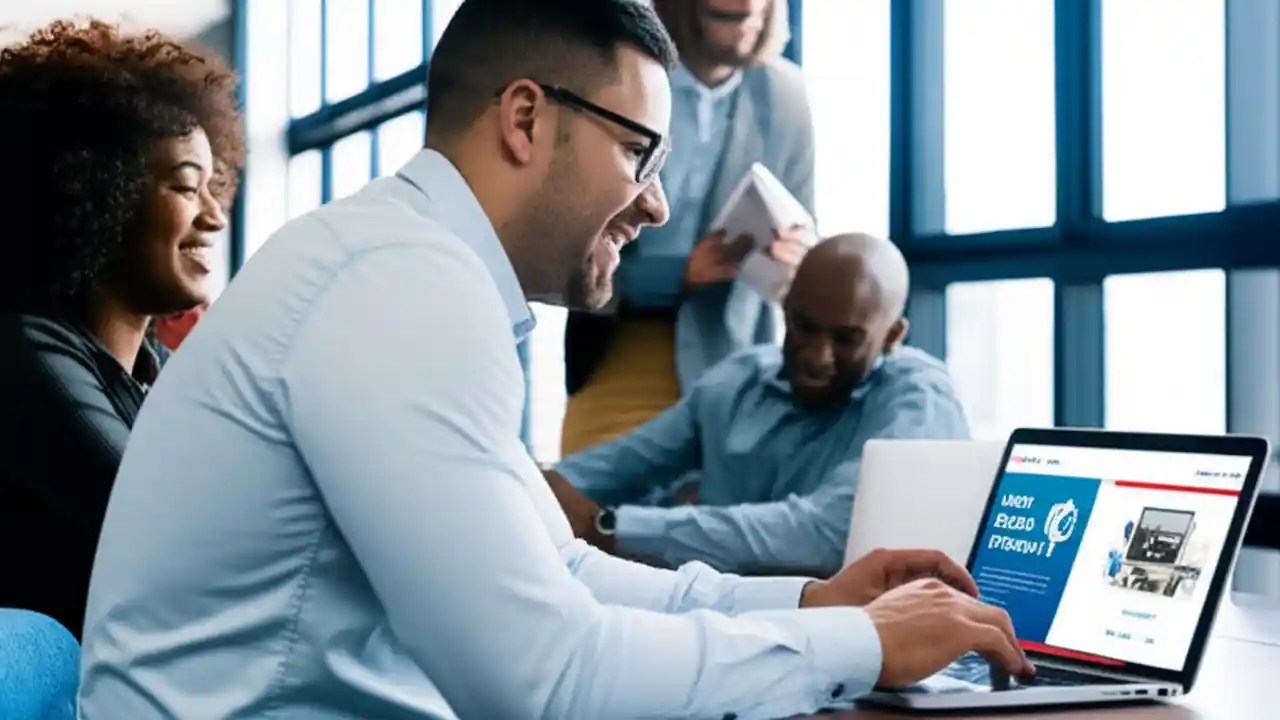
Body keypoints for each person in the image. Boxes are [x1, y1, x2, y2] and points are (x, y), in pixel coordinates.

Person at [79, 2, 1031, 718]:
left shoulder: (400, 265)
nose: (657, 207)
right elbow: (545, 677)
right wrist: (856, 642)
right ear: (526, 119)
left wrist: (812, 598)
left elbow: (561, 572)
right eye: (639, 155)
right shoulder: (401, 288)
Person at [0, 19, 242, 638]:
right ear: (96, 194)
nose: (214, 216)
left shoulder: (150, 373)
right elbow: (184, 529)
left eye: (214, 187)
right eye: (187, 186)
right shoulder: (22, 352)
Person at [546, 233, 969, 577]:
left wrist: (614, 528)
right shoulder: (737, 381)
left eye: (846, 339)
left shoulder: (919, 401)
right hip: (722, 623)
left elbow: (825, 536)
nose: (818, 356)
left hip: (858, 647)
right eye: (804, 327)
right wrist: (527, 492)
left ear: (893, 335)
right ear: (785, 309)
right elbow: (613, 468)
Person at [560, 0, 816, 455]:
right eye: (728, 13)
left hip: (731, 361)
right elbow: (576, 243)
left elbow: (803, 226)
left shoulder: (785, 96)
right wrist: (680, 276)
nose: (746, 8)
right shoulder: (623, 77)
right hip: (621, 347)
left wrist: (797, 259)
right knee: (592, 510)